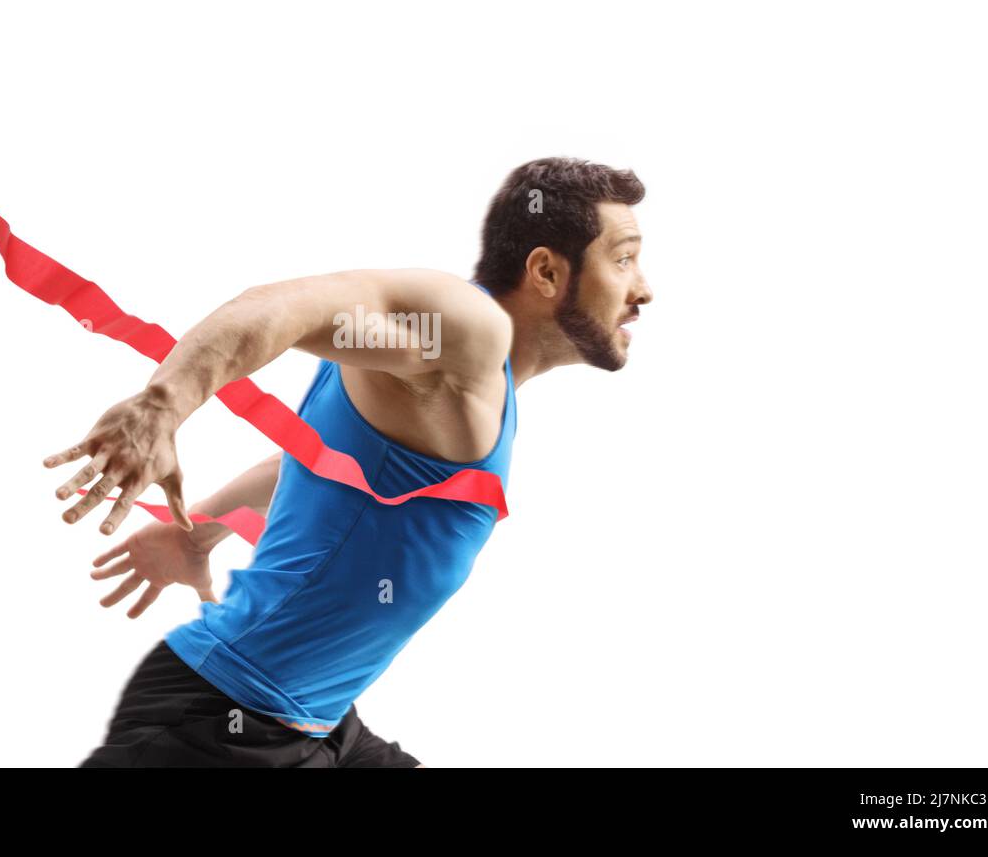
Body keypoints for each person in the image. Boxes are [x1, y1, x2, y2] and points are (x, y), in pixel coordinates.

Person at [50, 157, 654, 767]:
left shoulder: (462, 385)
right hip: (222, 726)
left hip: (319, 722)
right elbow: (287, 305)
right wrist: (162, 404)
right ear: (546, 271)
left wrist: (198, 531)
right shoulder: (468, 330)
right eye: (624, 258)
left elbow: (330, 461)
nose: (644, 289)